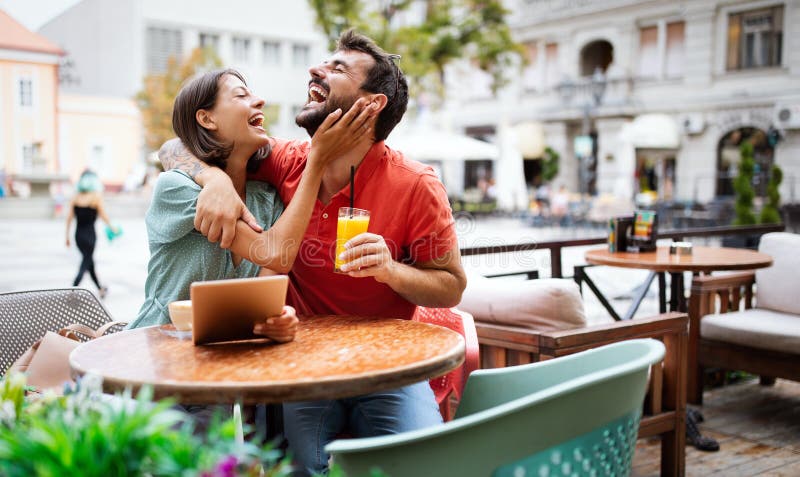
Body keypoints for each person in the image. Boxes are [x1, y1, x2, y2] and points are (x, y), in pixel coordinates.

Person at [158, 30, 467, 475]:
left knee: (423, 464)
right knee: (304, 468)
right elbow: (177, 145)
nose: (315, 69)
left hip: (388, 364)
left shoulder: (416, 185)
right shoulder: (287, 160)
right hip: (303, 361)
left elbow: (452, 286)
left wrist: (391, 270)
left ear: (370, 104)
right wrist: (215, 181)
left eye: (338, 68)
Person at [129, 68, 373, 338]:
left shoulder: (266, 199)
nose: (259, 101)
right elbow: (274, 253)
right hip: (156, 349)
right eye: (241, 95)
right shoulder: (176, 188)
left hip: (225, 356)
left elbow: (263, 298)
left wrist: (272, 323)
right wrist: (317, 159)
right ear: (206, 118)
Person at [65, 170, 115, 298]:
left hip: (78, 236)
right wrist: (112, 227)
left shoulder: (75, 197)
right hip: (90, 236)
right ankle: (73, 288)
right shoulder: (95, 197)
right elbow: (103, 215)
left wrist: (67, 237)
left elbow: (69, 218)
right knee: (85, 262)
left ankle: (100, 288)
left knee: (89, 262)